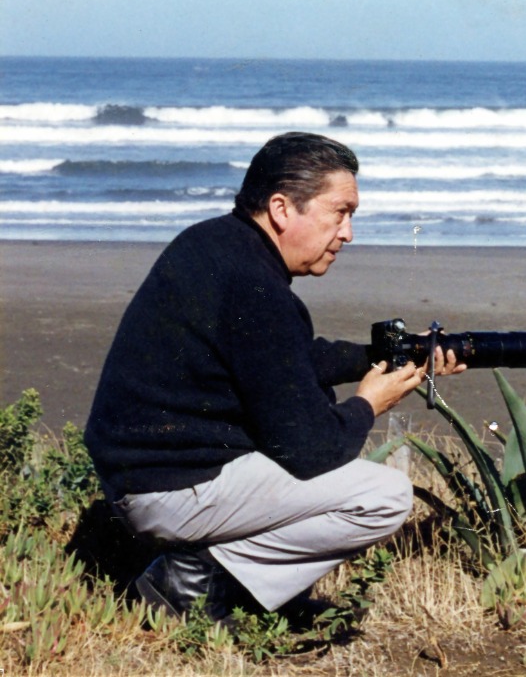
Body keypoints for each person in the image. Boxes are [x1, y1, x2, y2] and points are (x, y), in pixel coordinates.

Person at [84, 132, 464, 622]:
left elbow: (282, 360)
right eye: (339, 213)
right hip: (172, 492)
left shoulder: (214, 243)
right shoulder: (257, 288)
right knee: (384, 497)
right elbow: (312, 451)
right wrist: (370, 403)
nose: (347, 233)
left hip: (139, 477)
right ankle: (196, 585)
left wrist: (389, 353)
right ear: (282, 208)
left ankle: (215, 580)